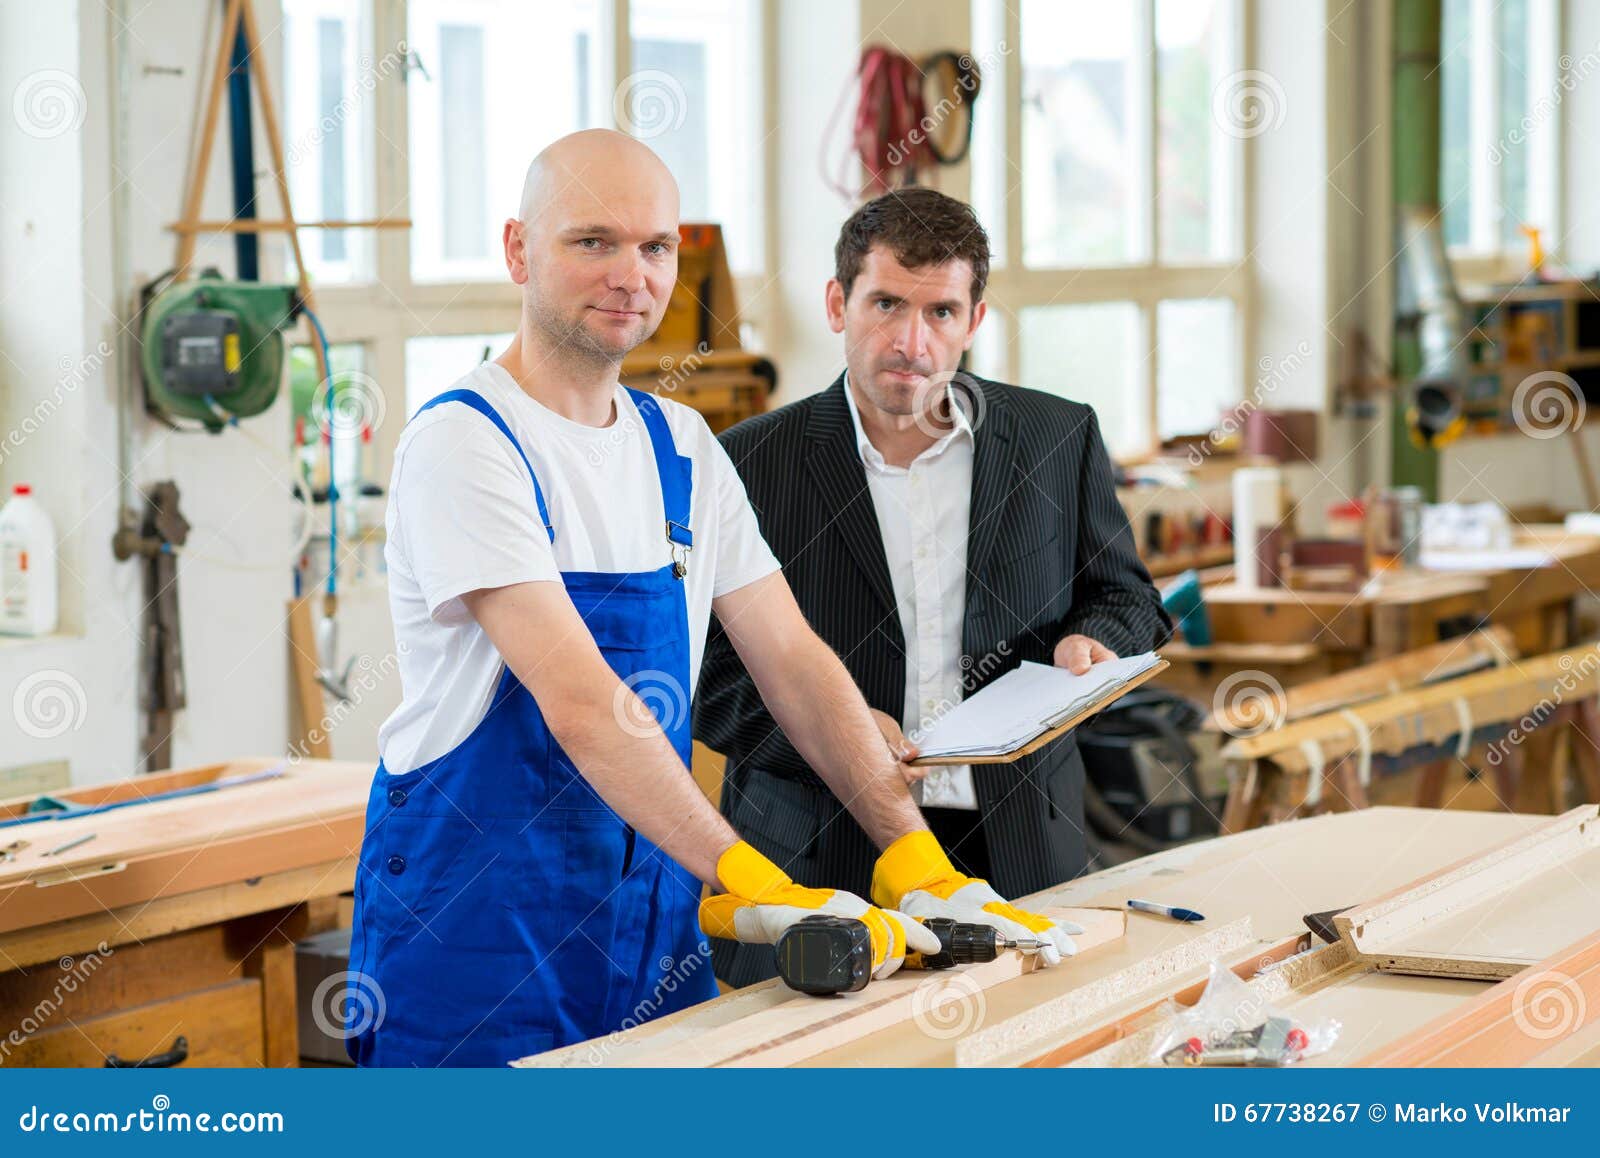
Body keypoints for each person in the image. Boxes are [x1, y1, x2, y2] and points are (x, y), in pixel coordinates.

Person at [347, 134, 1077, 1067]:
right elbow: (585, 705)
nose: (631, 276)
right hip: (480, 931)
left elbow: (796, 662)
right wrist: (746, 870)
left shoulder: (681, 446)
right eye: (593, 243)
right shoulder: (468, 442)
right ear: (519, 251)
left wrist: (914, 856)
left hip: (650, 917)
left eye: (655, 248)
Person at [696, 187, 1172, 987]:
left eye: (941, 313)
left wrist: (1098, 643)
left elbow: (1130, 601)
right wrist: (840, 735)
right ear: (837, 302)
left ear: (975, 319)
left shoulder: (1056, 438)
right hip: (818, 849)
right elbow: (703, 672)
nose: (911, 341)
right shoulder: (746, 463)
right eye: (885, 304)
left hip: (1019, 839)